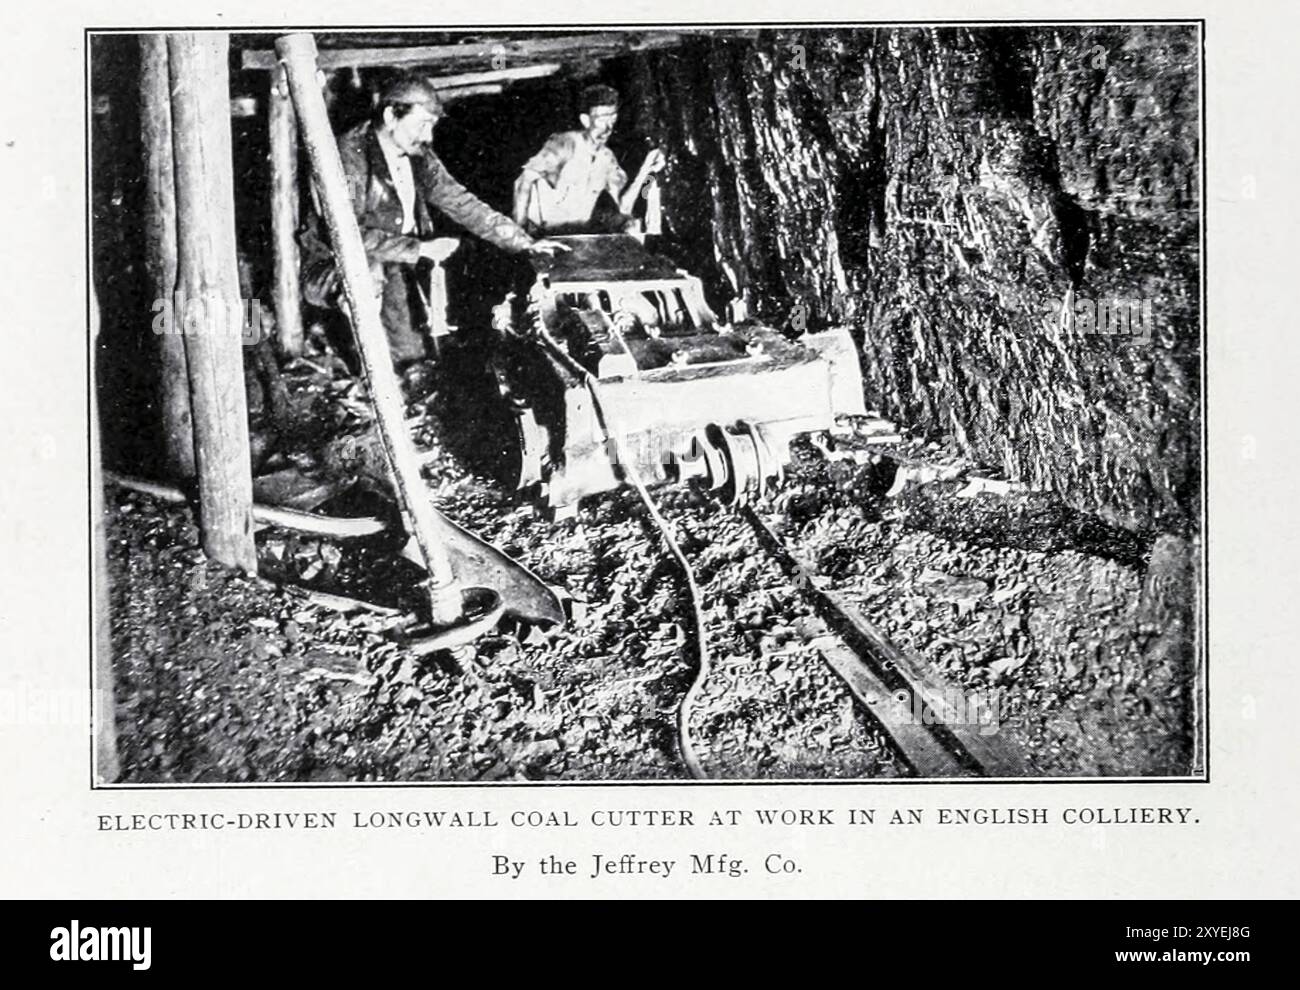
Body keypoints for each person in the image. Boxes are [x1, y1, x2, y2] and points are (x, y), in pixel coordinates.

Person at [300, 72, 567, 371]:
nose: (428, 136)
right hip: (336, 266)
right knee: (374, 314)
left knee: (411, 357)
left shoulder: (418, 155)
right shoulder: (348, 157)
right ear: (391, 116)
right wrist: (421, 249)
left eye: (432, 126)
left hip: (394, 266)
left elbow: (462, 202)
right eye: (422, 124)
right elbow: (344, 236)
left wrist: (523, 242)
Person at [512, 84, 665, 235]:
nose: (608, 128)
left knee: (633, 227)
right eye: (602, 120)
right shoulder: (566, 143)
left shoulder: (607, 158)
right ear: (585, 120)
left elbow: (623, 209)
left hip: (579, 236)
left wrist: (647, 170)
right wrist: (520, 234)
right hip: (546, 235)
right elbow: (523, 181)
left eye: (613, 119)